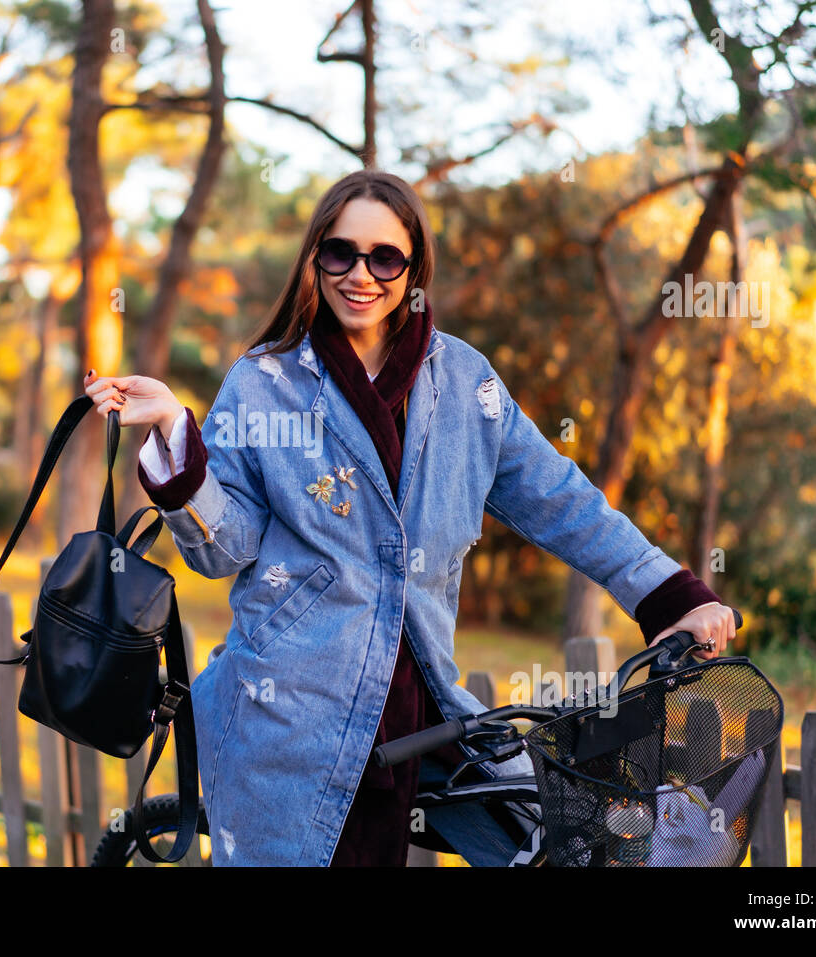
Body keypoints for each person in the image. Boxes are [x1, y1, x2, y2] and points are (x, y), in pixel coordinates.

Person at [83, 169, 734, 867]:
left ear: (414, 266)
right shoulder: (264, 383)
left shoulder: (466, 384)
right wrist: (176, 447)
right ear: (315, 257)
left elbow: (561, 500)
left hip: (429, 716)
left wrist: (668, 592)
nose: (360, 274)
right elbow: (223, 548)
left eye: (384, 257)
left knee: (576, 844)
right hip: (289, 719)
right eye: (340, 253)